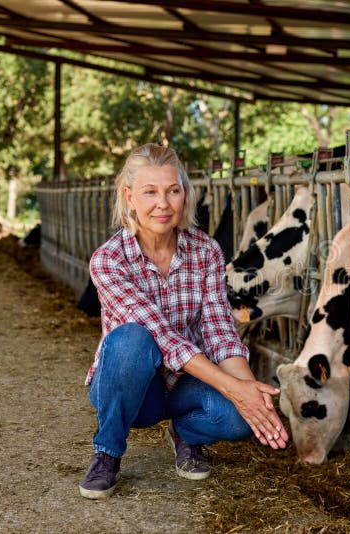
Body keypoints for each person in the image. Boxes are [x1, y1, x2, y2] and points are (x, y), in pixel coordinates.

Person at [79, 143, 289, 499]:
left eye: (173, 191)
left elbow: (220, 332)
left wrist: (251, 396)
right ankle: (107, 453)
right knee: (133, 339)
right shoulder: (109, 260)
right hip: (131, 388)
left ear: (184, 195)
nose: (163, 203)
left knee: (239, 418)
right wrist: (232, 388)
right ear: (129, 197)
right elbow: (162, 338)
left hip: (181, 387)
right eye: (150, 192)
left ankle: (186, 435)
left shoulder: (205, 251)